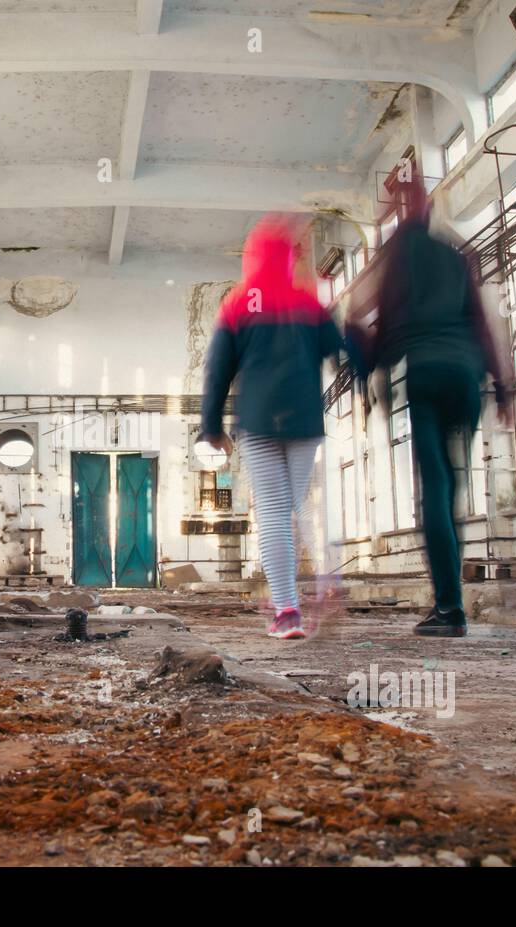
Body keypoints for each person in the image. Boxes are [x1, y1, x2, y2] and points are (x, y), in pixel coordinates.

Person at [353, 177, 514, 636]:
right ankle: (450, 602)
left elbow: (385, 327)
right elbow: (482, 322)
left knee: (435, 494)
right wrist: (503, 388)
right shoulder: (456, 257)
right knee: (452, 491)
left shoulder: (398, 260)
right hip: (466, 379)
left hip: (426, 376)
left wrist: (371, 374)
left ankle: (449, 608)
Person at [199, 214, 349, 639]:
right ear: (286, 259)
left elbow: (217, 370)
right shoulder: (307, 303)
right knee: (296, 505)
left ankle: (287, 610)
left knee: (271, 512)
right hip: (304, 419)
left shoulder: (237, 302)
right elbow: (342, 352)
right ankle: (326, 579)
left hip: (260, 420)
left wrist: (210, 425)